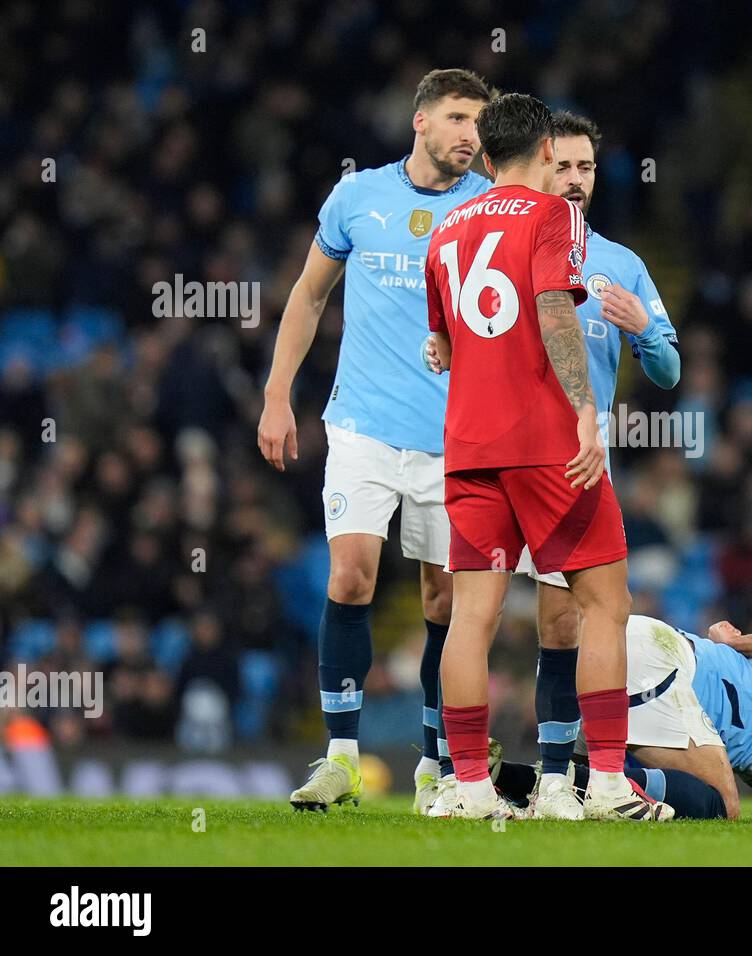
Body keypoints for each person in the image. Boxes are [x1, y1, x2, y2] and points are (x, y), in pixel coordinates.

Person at [425, 111, 680, 819]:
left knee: (471, 618)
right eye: (562, 162)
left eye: (585, 167)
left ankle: (470, 787)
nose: (572, 178)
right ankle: (602, 785)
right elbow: (552, 311)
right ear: (543, 152)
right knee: (606, 605)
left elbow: (440, 341)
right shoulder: (553, 219)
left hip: (469, 447)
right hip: (547, 444)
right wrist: (581, 411)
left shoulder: (445, 229)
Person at [257, 68, 495, 813]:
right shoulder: (357, 196)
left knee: (442, 599)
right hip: (360, 424)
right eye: (457, 118)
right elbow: (308, 294)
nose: (469, 135)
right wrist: (276, 393)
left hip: (451, 437)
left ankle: (432, 763)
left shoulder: (488, 208)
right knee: (352, 575)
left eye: (479, 124)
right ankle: (340, 760)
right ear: (419, 121)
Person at [490, 614, 752, 821]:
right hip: (651, 665)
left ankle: (499, 778)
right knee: (723, 804)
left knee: (573, 798)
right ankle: (512, 777)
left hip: (596, 648)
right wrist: (735, 643)